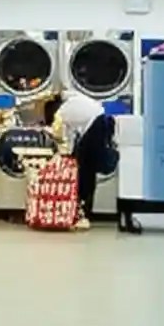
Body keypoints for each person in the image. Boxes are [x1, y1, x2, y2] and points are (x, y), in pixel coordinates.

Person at [44, 91, 115, 230]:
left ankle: (83, 211)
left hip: (93, 128)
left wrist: (66, 155)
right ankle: (85, 209)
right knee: (89, 169)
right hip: (102, 119)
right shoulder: (73, 98)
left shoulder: (62, 113)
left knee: (86, 170)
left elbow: (68, 138)